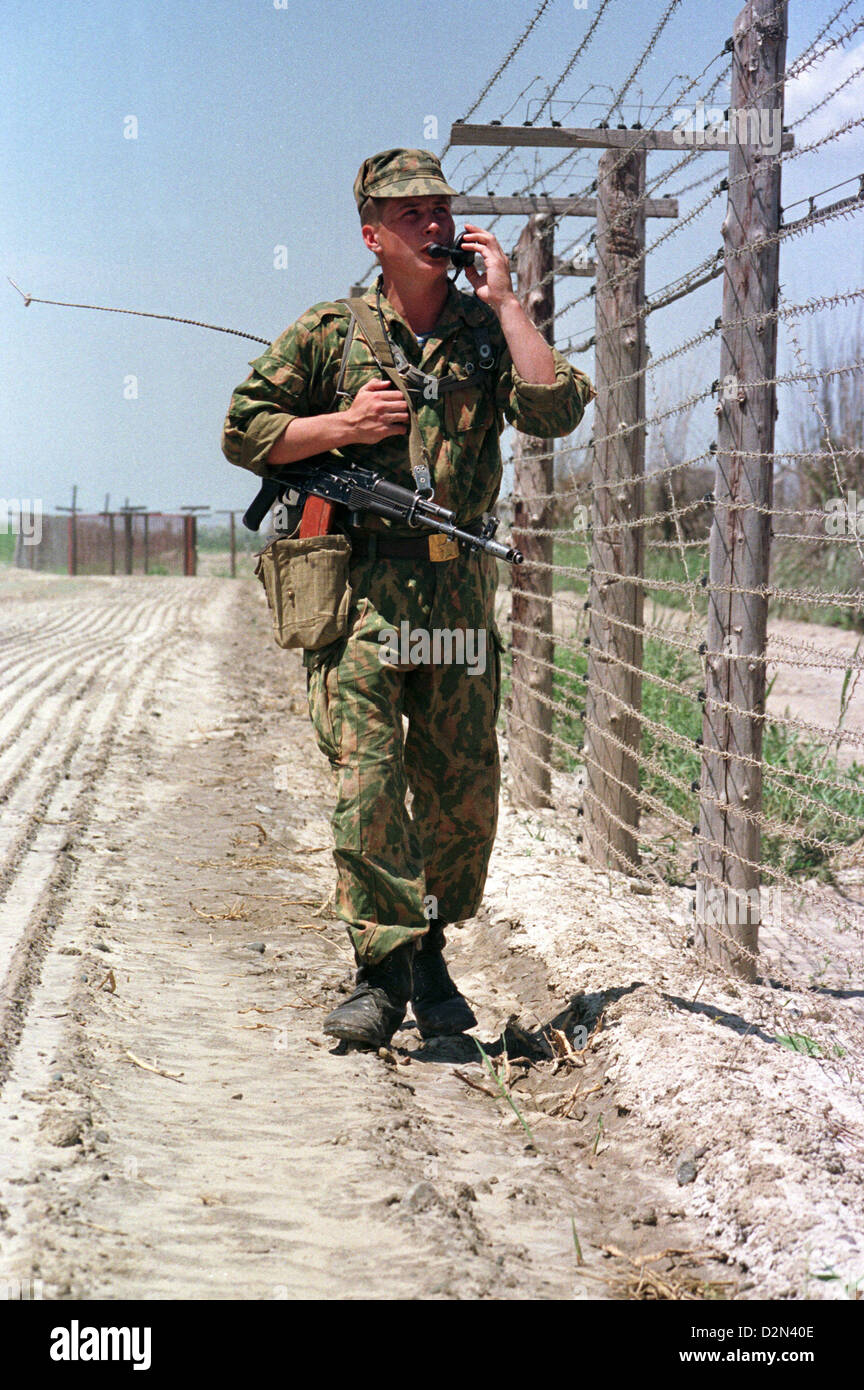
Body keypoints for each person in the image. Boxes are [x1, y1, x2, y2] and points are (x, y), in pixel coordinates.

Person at [222, 148, 594, 1050]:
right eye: (410, 214)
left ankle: (429, 940)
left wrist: (508, 304)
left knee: (461, 788)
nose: (432, 224)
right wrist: (340, 428)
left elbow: (554, 409)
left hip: (457, 594)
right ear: (373, 235)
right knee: (369, 778)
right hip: (361, 591)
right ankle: (381, 972)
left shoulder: (479, 332)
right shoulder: (330, 333)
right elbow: (244, 430)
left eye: (440, 209)